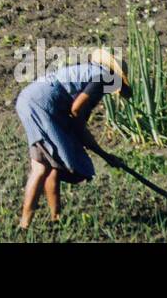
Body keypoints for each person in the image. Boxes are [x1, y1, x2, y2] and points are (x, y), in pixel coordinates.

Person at [16, 48, 131, 229]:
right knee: (42, 168)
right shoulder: (102, 79)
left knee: (48, 165)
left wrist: (104, 155)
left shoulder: (85, 72)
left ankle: (53, 219)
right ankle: (26, 224)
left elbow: (77, 122)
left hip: (28, 98)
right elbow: (76, 109)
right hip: (43, 104)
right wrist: (77, 132)